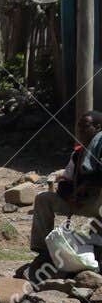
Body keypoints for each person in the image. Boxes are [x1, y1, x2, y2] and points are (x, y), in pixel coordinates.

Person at [30, 110, 102, 261]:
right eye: (79, 126)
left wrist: (88, 185)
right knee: (43, 198)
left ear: (98, 127)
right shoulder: (78, 154)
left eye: (86, 126)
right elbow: (66, 179)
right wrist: (69, 195)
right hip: (78, 201)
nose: (81, 130)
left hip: (98, 202)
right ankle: (42, 250)